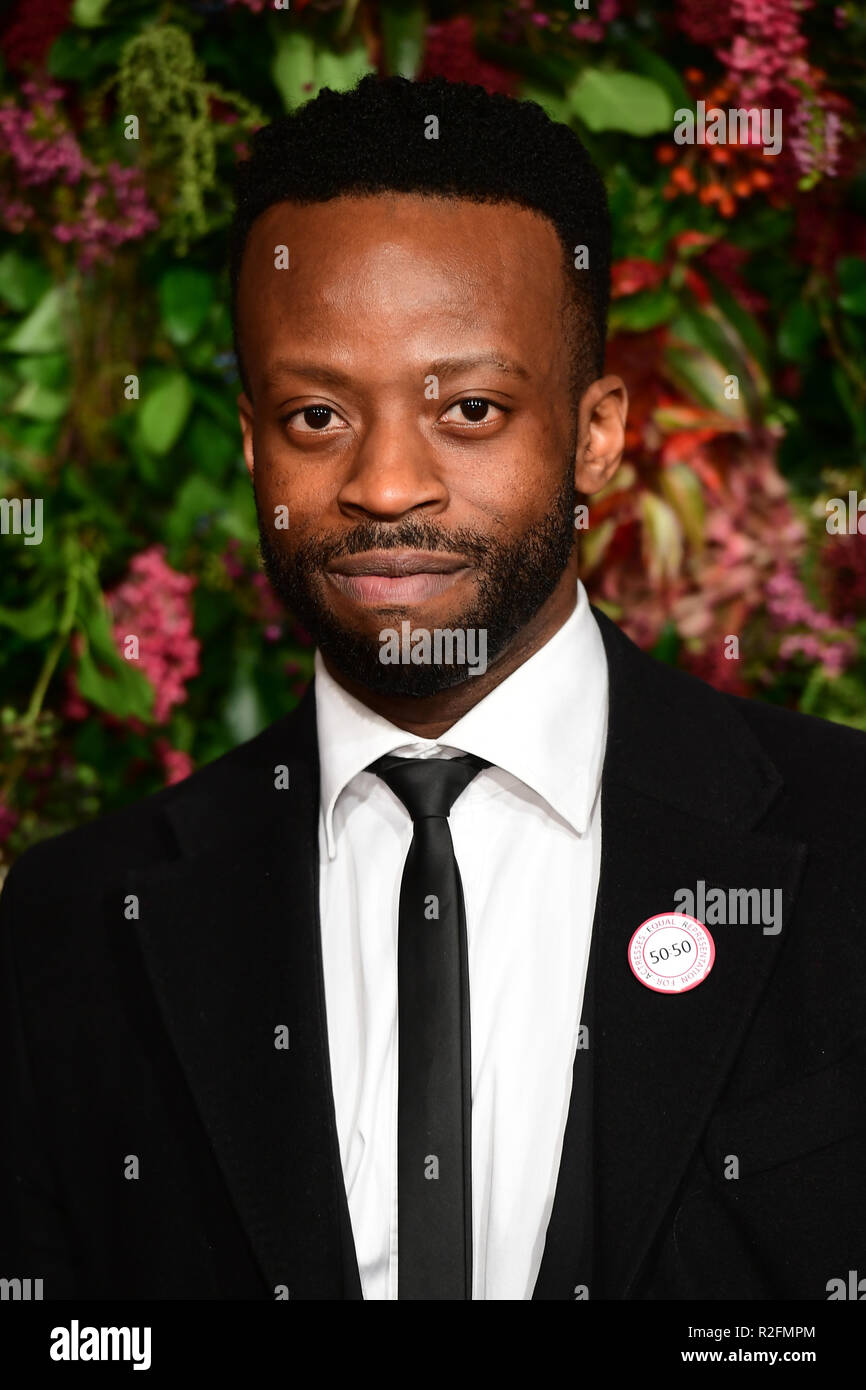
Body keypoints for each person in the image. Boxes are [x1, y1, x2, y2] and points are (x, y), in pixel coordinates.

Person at [1, 75, 864, 1302]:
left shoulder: (846, 851)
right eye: (315, 414)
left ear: (596, 433)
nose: (387, 483)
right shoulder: (72, 926)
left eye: (467, 407)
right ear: (251, 444)